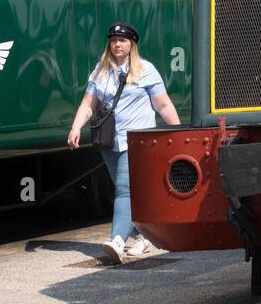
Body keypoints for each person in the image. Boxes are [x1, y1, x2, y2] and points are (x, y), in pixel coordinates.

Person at [67, 23, 180, 263]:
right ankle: (144, 236)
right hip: (110, 141)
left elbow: (163, 105)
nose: (118, 44)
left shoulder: (145, 70)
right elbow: (89, 104)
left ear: (132, 45)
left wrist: (177, 134)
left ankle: (117, 240)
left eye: (123, 40)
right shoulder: (100, 71)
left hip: (137, 140)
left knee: (124, 190)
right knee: (130, 192)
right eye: (114, 40)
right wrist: (76, 127)